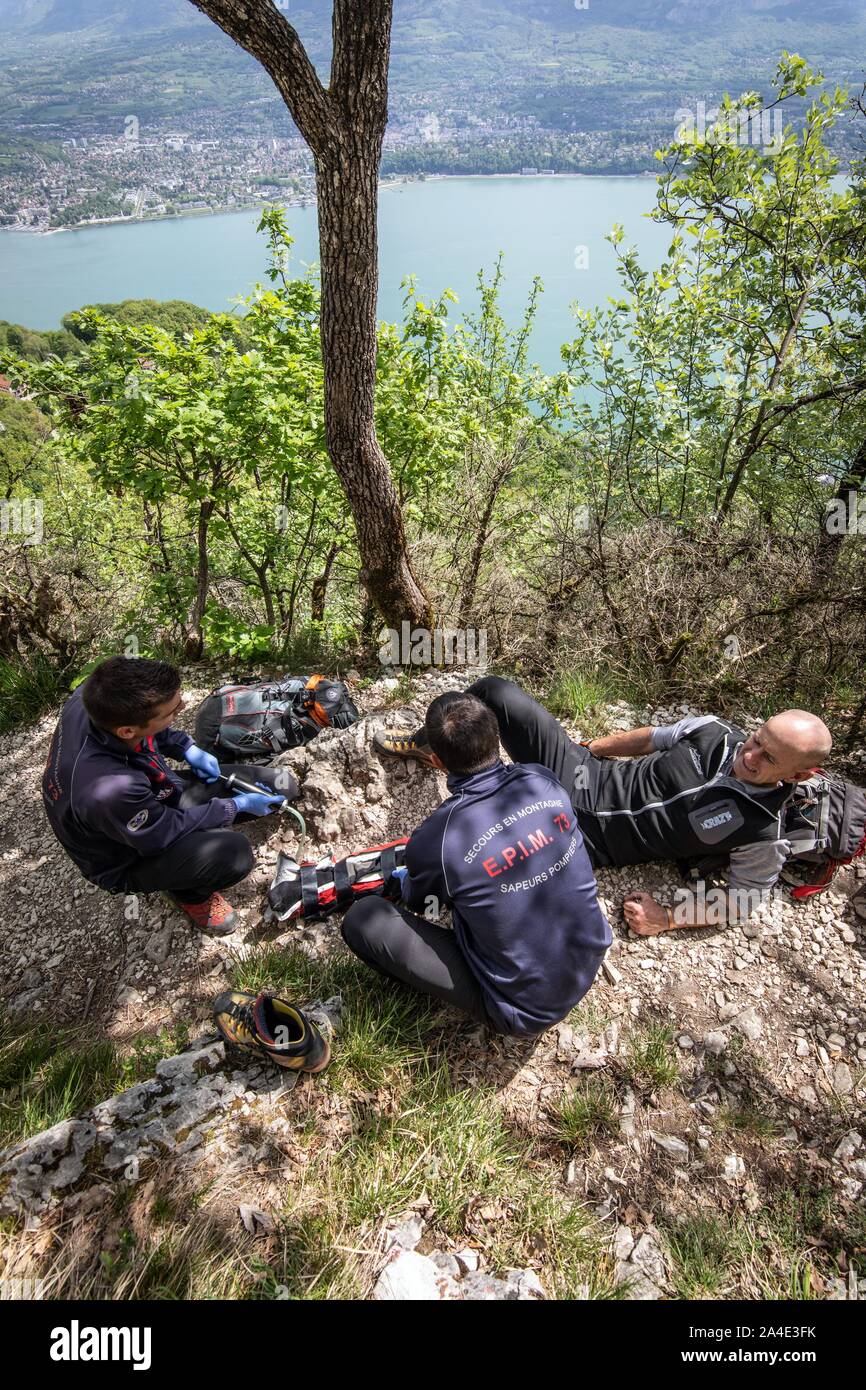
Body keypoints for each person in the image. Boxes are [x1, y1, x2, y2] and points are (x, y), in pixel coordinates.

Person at [375, 677, 833, 936]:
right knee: (496, 693)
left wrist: (667, 917)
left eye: (768, 758)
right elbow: (655, 737)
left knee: (475, 858)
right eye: (757, 739)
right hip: (580, 773)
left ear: (799, 775)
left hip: (578, 837)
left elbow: (741, 899)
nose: (748, 756)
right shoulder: (715, 732)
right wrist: (593, 745)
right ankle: (429, 745)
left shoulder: (762, 831)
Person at [343, 691, 611, 1036]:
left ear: (436, 761)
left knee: (363, 919)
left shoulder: (436, 839)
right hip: (589, 957)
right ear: (497, 738)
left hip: (523, 1010)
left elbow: (424, 903)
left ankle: (421, 994)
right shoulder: (541, 781)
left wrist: (418, 875)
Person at [42, 657, 294, 935]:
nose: (183, 708)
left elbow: (151, 730)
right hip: (128, 853)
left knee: (281, 786)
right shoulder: (109, 788)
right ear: (126, 731)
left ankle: (196, 836)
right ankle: (189, 894)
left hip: (151, 793)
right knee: (233, 854)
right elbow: (162, 832)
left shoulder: (100, 695)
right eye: (172, 711)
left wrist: (185, 747)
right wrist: (233, 806)